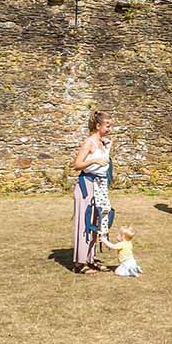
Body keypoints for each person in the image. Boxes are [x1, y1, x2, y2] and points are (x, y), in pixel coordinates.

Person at [71, 110, 112, 274]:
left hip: (99, 186)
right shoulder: (89, 142)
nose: (109, 129)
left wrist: (108, 148)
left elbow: (104, 163)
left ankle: (90, 258)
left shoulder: (102, 143)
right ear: (98, 126)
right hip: (86, 186)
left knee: (96, 221)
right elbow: (77, 165)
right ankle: (79, 263)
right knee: (84, 222)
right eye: (107, 125)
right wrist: (93, 160)